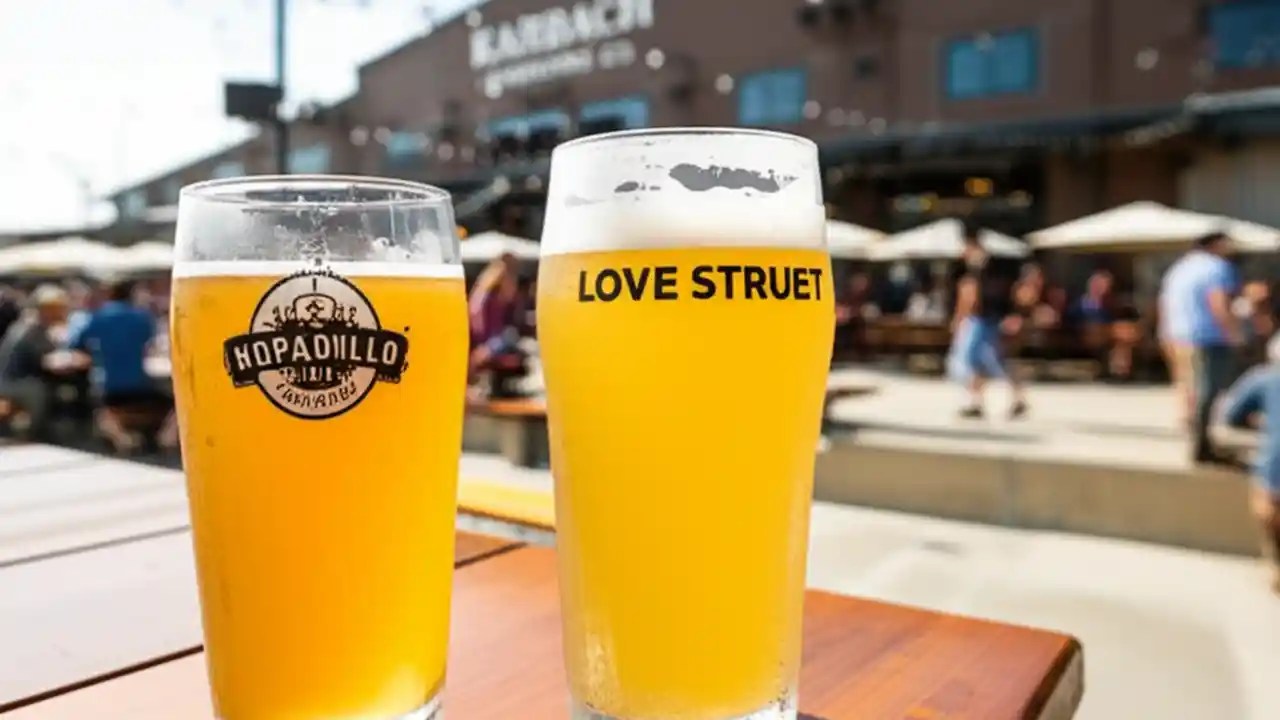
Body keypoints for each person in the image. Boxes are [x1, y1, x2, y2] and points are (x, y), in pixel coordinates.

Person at [1159, 232, 1242, 463]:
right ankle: (1201, 444)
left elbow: (1164, 303)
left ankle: (1196, 439)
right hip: (1208, 337)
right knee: (1208, 390)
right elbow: (1218, 302)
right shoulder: (1217, 267)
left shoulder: (1179, 268)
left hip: (1177, 335)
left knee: (1189, 387)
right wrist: (1234, 334)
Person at [69, 279, 174, 453]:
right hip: (141, 383)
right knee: (173, 403)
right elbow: (152, 341)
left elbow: (76, 342)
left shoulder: (98, 316)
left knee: (99, 410)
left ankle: (123, 439)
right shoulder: (142, 317)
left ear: (110, 294)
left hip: (109, 386)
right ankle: (166, 438)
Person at [946, 226, 1027, 419]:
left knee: (989, 361)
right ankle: (980, 402)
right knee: (982, 362)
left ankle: (1012, 400)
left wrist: (959, 319)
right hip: (984, 320)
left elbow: (975, 297)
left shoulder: (989, 268)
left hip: (986, 321)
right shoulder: (983, 268)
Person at [1220, 333, 1280, 594]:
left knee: (1265, 504)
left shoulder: (1264, 378)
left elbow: (1231, 415)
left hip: (1274, 467)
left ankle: (1276, 565)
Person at [0, 285, 87, 439]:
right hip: (16, 382)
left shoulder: (28, 324)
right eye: (60, 308)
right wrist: (74, 359)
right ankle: (36, 433)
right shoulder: (33, 328)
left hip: (12, 379)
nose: (64, 312)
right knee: (42, 391)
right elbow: (48, 362)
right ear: (47, 309)